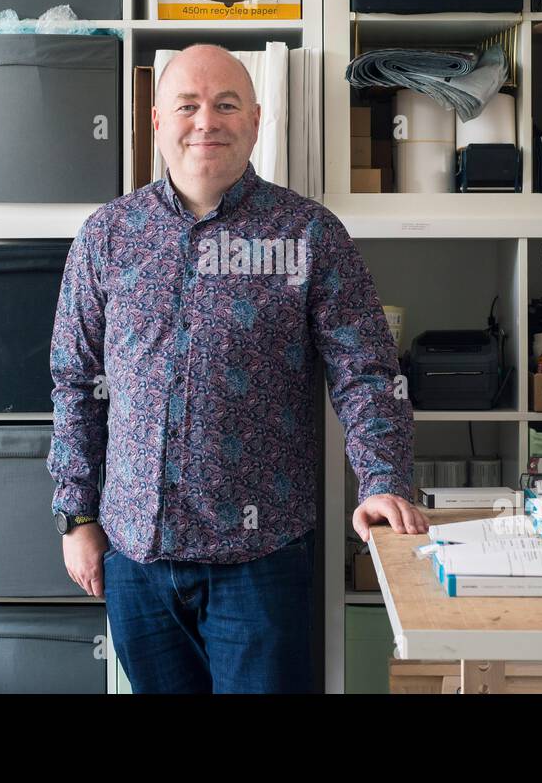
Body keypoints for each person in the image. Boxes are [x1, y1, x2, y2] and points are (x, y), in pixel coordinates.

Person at [49, 43, 423, 693]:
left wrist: (383, 477)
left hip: (259, 563)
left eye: (225, 105)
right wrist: (76, 516)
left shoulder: (309, 234)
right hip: (135, 556)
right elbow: (75, 382)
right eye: (187, 106)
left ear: (255, 119)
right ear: (157, 121)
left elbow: (365, 371)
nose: (206, 121)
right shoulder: (106, 236)